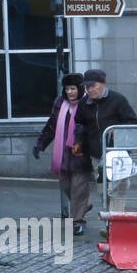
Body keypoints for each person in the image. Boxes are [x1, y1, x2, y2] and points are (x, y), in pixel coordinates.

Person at [77, 68, 137, 239]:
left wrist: (117, 131)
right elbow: (80, 126)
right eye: (87, 87)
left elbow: (133, 122)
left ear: (103, 84)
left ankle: (114, 228)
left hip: (118, 154)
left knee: (118, 189)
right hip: (97, 154)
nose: (90, 90)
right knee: (104, 191)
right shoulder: (84, 105)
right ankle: (112, 222)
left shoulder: (118, 100)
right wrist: (79, 143)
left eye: (93, 86)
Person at [32, 73, 90, 236]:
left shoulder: (87, 104)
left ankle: (78, 222)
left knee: (79, 188)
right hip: (63, 153)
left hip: (81, 153)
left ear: (80, 88)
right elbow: (51, 126)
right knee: (66, 186)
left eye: (73, 88)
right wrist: (40, 145)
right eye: (67, 89)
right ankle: (83, 206)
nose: (70, 92)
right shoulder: (60, 103)